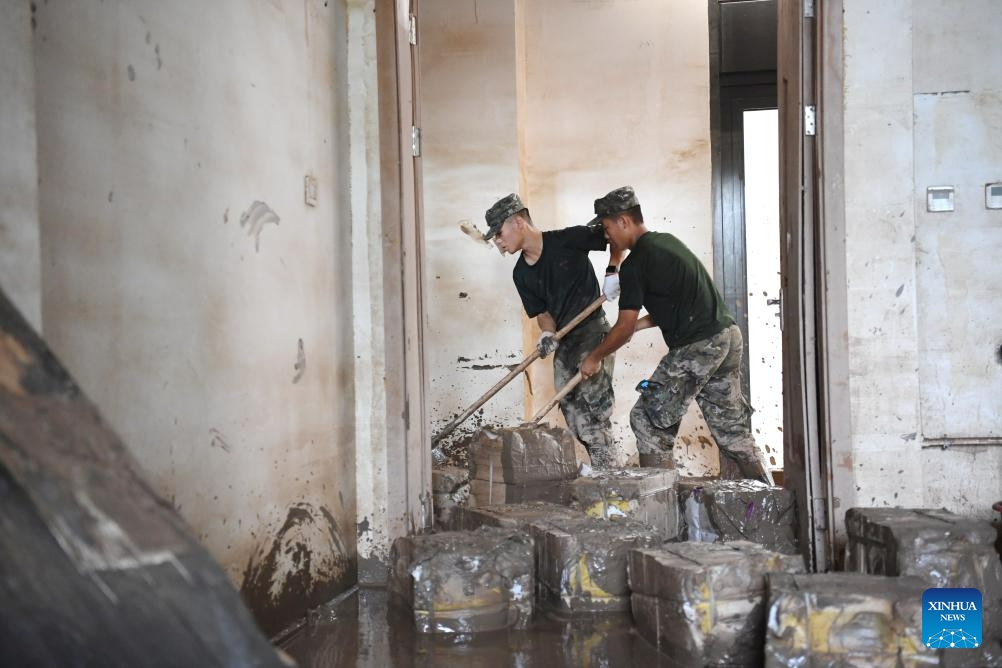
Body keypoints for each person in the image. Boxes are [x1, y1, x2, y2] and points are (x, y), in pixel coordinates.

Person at [578, 186, 773, 484]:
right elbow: (675, 305)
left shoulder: (636, 263)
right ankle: (768, 499)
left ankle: (659, 503)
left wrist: (594, 357)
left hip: (699, 345)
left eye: (607, 228)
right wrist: (637, 325)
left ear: (624, 221)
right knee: (731, 430)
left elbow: (623, 328)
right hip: (726, 336)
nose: (607, 237)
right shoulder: (667, 243)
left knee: (647, 420)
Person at [484, 193, 621, 468]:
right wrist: (547, 334)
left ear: (518, 222)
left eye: (499, 233)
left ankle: (611, 473)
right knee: (570, 408)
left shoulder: (568, 239)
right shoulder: (521, 274)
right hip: (565, 340)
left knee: (593, 407)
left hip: (593, 332)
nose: (498, 241)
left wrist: (612, 271)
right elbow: (543, 313)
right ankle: (603, 468)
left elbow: (616, 235)